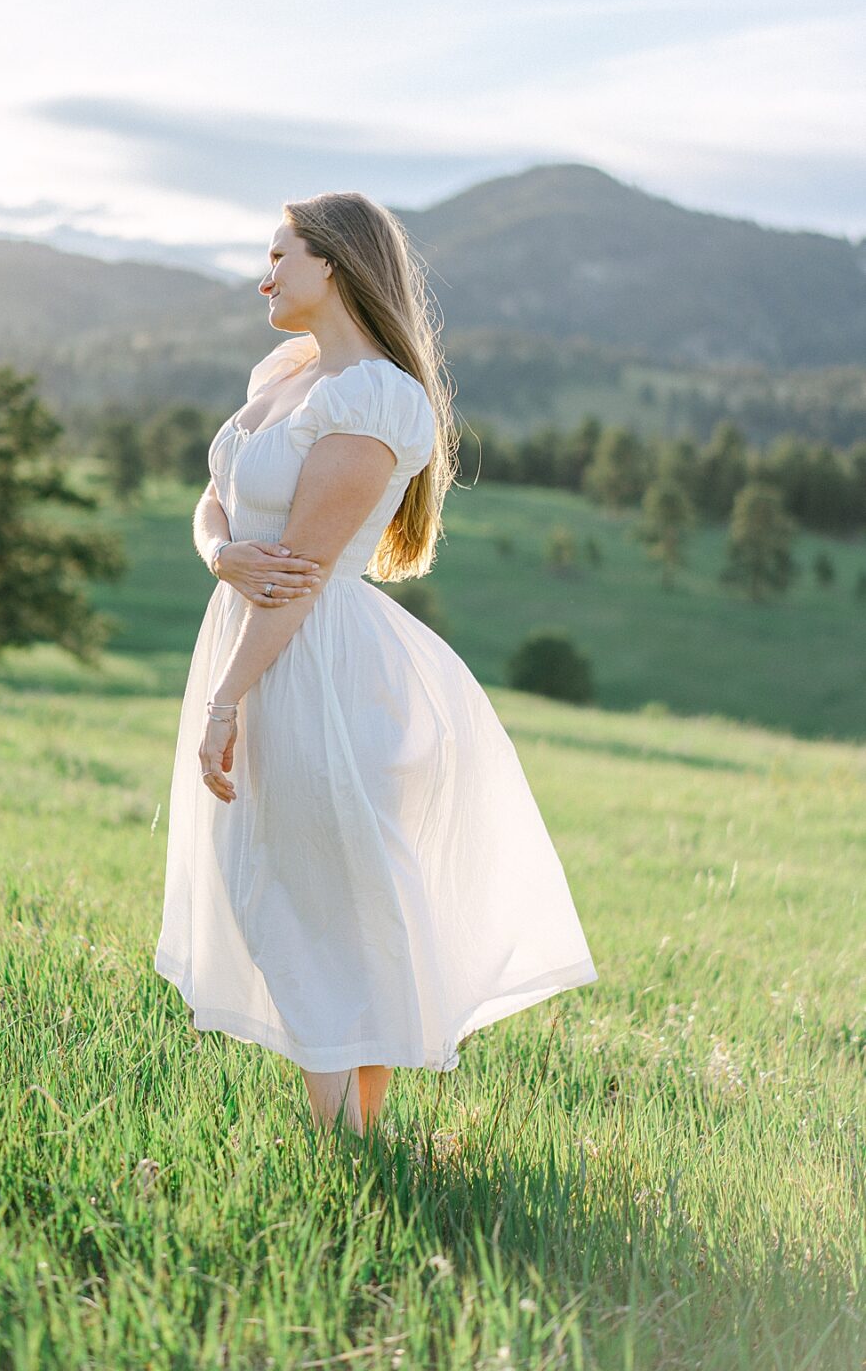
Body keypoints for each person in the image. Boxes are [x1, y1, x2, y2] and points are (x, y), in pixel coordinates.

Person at [154, 191, 598, 1139]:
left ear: (336, 263)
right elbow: (216, 501)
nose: (263, 275)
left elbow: (301, 575)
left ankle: (348, 1145)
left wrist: (228, 700)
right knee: (273, 881)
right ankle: (354, 1141)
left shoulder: (376, 398)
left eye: (279, 255)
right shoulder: (285, 373)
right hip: (256, 640)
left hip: (312, 662)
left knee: (323, 892)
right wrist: (216, 555)